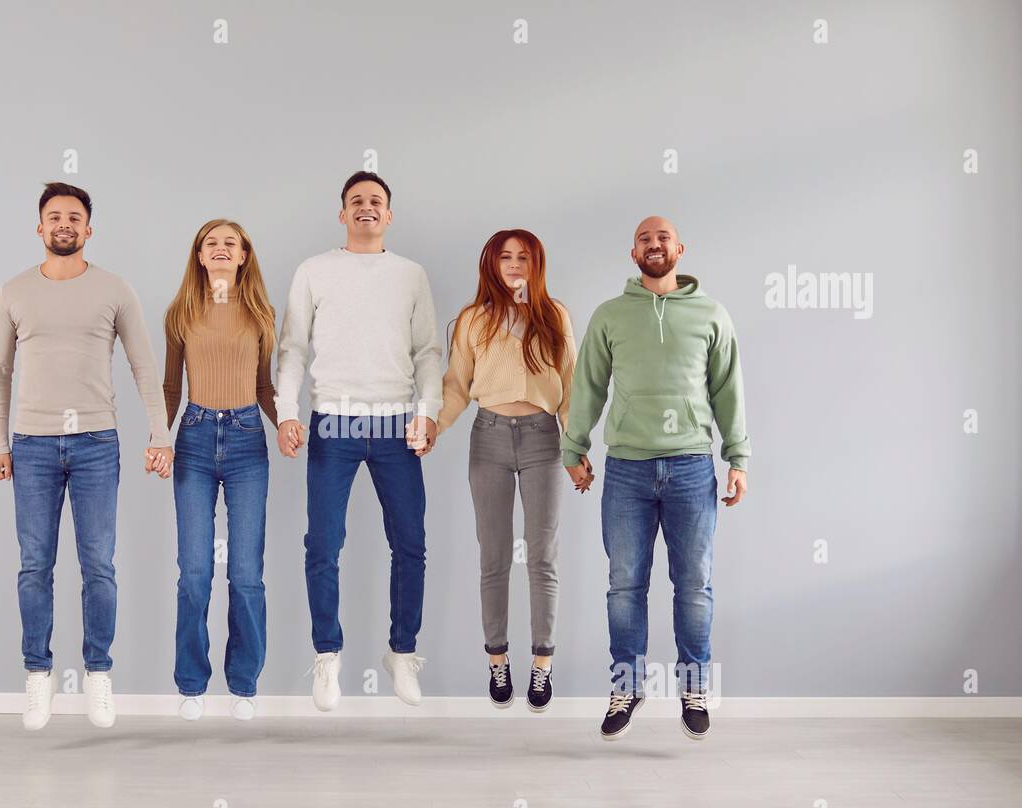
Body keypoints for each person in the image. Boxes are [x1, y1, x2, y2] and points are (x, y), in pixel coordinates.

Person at [0, 181, 172, 731]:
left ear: (89, 230)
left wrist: (160, 435)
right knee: (34, 565)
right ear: (39, 228)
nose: (64, 224)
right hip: (33, 445)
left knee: (99, 565)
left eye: (74, 217)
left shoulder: (115, 290)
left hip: (96, 443)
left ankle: (98, 674)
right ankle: (38, 675)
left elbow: (144, 367)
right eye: (54, 216)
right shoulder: (13, 292)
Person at [561, 216, 749, 741]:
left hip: (692, 468)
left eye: (663, 236)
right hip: (626, 470)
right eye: (645, 238)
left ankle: (693, 689)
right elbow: (588, 387)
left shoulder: (711, 316)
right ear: (633, 253)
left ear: (680, 249)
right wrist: (572, 445)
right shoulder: (610, 316)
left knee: (693, 586)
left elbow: (728, 391)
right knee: (624, 586)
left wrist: (739, 458)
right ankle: (628, 686)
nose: (654, 244)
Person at [275, 171, 443, 711]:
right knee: (323, 544)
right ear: (341, 213)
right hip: (335, 422)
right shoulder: (314, 271)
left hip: (396, 423)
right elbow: (293, 347)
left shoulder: (411, 274)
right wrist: (285, 412)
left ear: (389, 215)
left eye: (376, 202)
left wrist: (427, 413)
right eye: (356, 202)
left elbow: (427, 353)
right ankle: (327, 656)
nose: (366, 208)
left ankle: (402, 651)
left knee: (411, 544)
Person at [436, 229, 576, 711]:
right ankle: (498, 659)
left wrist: (576, 450)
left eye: (523, 257)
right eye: (506, 257)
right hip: (489, 437)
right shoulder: (474, 319)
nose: (514, 265)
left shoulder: (554, 315)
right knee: (493, 556)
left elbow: (571, 382)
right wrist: (435, 426)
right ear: (491, 265)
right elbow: (455, 385)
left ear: (536, 265)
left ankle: (542, 664)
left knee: (543, 556)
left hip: (543, 439)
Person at [162, 219, 278, 723]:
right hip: (193, 437)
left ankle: (245, 683)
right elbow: (169, 387)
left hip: (249, 440)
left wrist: (286, 424)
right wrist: (158, 438)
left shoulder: (261, 315)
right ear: (201, 255)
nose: (222, 248)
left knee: (247, 573)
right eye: (213, 243)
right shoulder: (181, 313)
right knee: (194, 571)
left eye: (231, 242)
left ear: (244, 254)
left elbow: (267, 387)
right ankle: (191, 683)